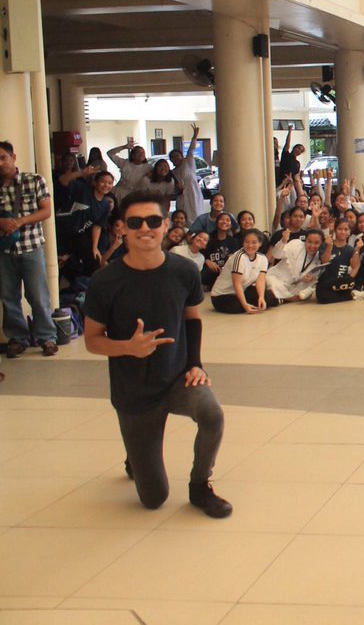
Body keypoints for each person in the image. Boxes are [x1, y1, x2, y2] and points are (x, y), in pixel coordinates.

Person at [81, 190, 232, 518]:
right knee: (154, 498)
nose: (144, 228)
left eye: (153, 221)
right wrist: (128, 349)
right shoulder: (106, 281)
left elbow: (192, 320)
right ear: (123, 228)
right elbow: (91, 340)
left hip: (177, 377)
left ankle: (199, 486)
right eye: (135, 222)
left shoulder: (183, 271)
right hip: (134, 392)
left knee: (212, 414)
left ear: (166, 225)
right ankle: (135, 455)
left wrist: (195, 364)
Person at [0, 141, 57, 359]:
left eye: (3, 157)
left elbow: (46, 211)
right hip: (4, 250)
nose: (1, 163)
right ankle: (17, 338)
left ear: (13, 157)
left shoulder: (34, 180)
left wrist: (20, 221)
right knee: (8, 296)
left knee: (38, 295)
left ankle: (47, 337)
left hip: (31, 246)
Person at [170, 124, 205, 223]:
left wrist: (194, 137)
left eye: (177, 155)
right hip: (182, 197)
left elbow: (191, 150)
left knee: (195, 215)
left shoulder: (188, 162)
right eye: (173, 157)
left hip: (193, 193)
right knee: (182, 217)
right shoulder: (173, 172)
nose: (176, 158)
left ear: (181, 156)